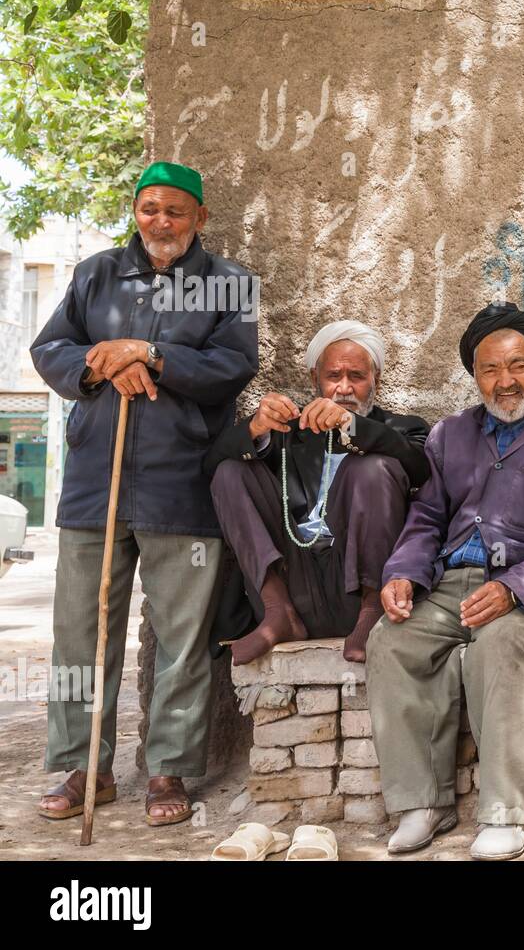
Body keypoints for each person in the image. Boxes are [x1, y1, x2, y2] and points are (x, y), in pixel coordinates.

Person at [30, 161, 257, 825]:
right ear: (137, 211)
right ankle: (83, 766)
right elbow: (53, 350)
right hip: (93, 482)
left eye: (175, 211)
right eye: (149, 208)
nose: (161, 222)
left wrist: (152, 357)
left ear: (200, 219)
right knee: (80, 632)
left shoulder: (232, 285)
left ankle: (169, 770)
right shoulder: (96, 273)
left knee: (181, 638)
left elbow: (233, 366)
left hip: (182, 482)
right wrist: (103, 363)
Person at [366, 302, 524, 859]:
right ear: (475, 376)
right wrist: (402, 573)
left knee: (497, 647)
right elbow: (426, 518)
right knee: (392, 639)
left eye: (517, 365)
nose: (505, 381)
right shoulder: (448, 436)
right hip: (450, 585)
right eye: (490, 370)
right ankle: (423, 802)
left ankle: (507, 813)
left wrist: (513, 588)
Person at [205, 320, 430, 664]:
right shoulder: (286, 432)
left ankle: (371, 614)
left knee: (370, 467)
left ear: (376, 380)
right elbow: (210, 471)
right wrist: (254, 428)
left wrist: (350, 426)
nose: (343, 388)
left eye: (356, 376)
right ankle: (278, 612)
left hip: (360, 590)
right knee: (230, 471)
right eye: (333, 376)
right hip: (296, 585)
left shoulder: (403, 428)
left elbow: (419, 465)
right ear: (314, 380)